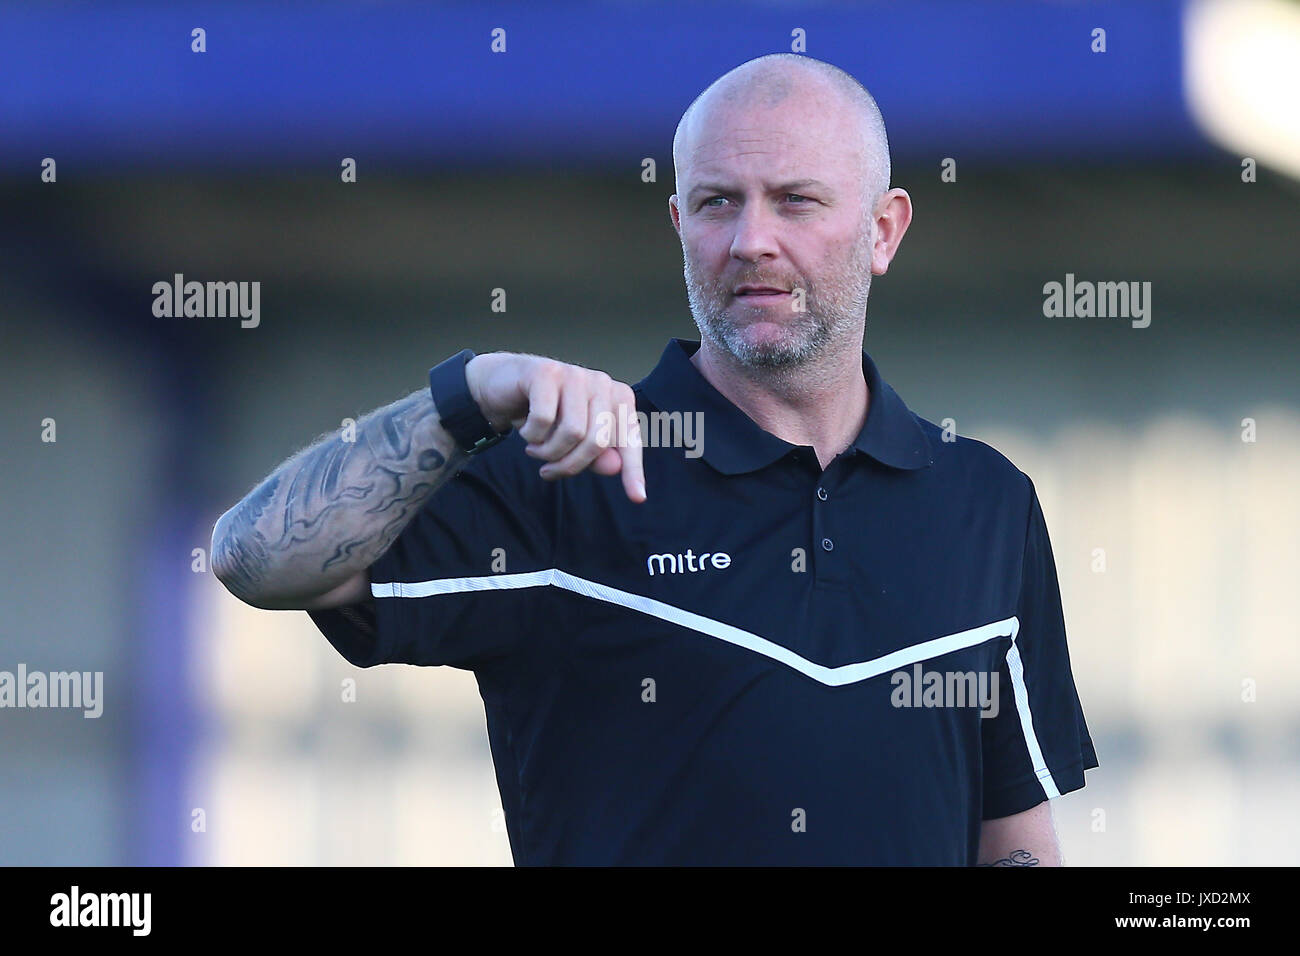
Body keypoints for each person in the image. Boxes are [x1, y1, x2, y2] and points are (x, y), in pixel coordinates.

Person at [212, 53, 1098, 865]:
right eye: (718, 202)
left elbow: (1013, 839)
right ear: (679, 223)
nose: (751, 238)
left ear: (883, 229)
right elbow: (254, 557)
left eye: (795, 200)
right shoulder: (569, 472)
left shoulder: (986, 502)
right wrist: (475, 392)